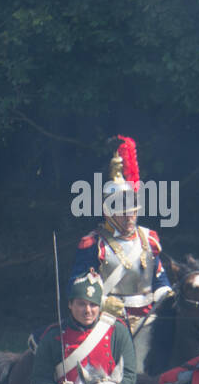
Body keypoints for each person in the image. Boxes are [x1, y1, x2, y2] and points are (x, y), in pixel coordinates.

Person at [69, 136, 171, 341]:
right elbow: (77, 284)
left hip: (151, 317)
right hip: (110, 318)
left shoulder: (149, 238)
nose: (129, 218)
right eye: (123, 213)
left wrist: (166, 295)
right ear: (108, 213)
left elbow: (159, 278)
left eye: (132, 212)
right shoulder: (93, 244)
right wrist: (103, 301)